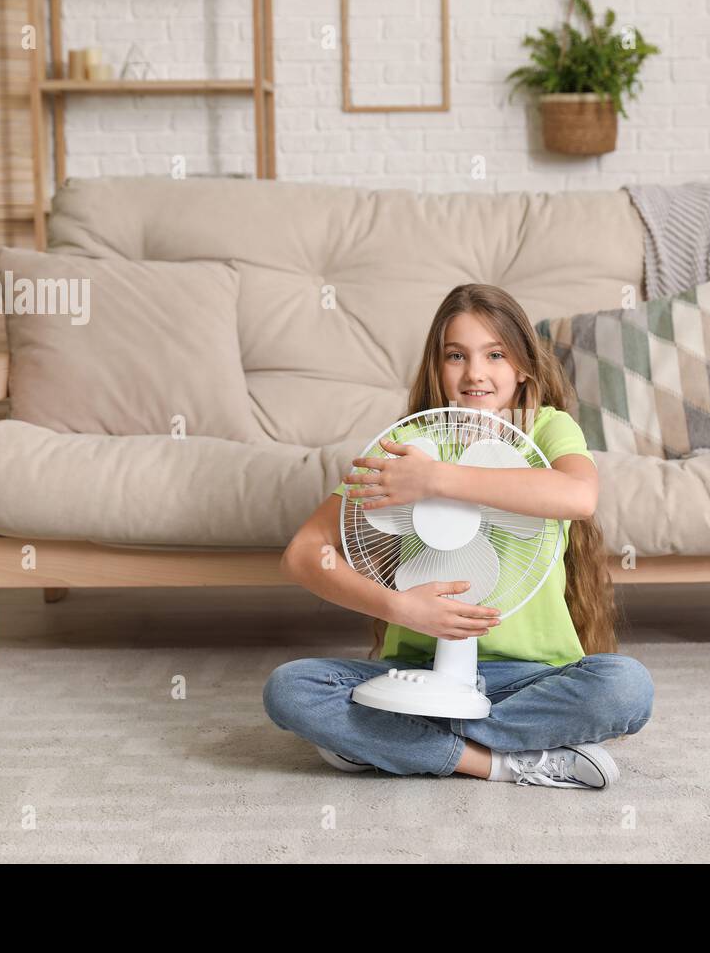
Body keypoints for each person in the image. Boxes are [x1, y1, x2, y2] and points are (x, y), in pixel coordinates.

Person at [264, 284, 653, 790]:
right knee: (289, 690)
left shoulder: (545, 428)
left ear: (523, 368)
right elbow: (302, 555)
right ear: (437, 367)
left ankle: (391, 741)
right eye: (456, 355)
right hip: (417, 676)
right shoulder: (407, 444)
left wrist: (436, 480)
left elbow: (579, 496)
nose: (475, 373)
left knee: (626, 688)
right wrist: (400, 609)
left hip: (532, 676)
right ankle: (501, 763)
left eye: (495, 354)